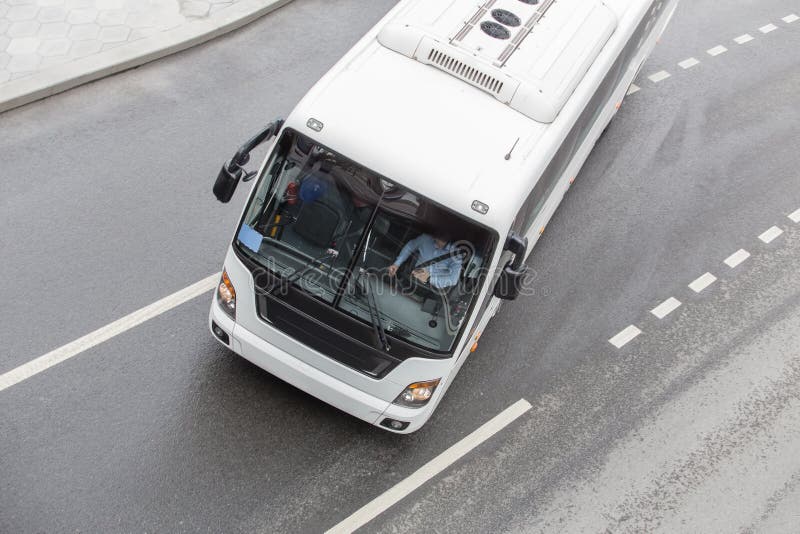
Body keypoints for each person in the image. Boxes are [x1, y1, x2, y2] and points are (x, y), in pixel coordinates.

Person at [387, 233, 462, 289]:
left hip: (430, 291)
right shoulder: (426, 238)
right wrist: (397, 264)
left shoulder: (456, 255)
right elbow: (410, 246)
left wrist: (429, 278)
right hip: (411, 281)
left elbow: (453, 279)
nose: (437, 239)